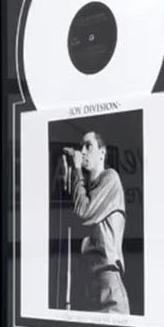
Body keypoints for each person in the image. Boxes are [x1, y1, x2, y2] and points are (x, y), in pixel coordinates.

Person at [62, 131, 130, 314]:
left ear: (102, 153)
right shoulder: (85, 188)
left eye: (88, 146)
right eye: (81, 147)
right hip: (88, 284)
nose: (83, 151)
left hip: (107, 281)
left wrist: (77, 170)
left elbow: (83, 212)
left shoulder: (110, 178)